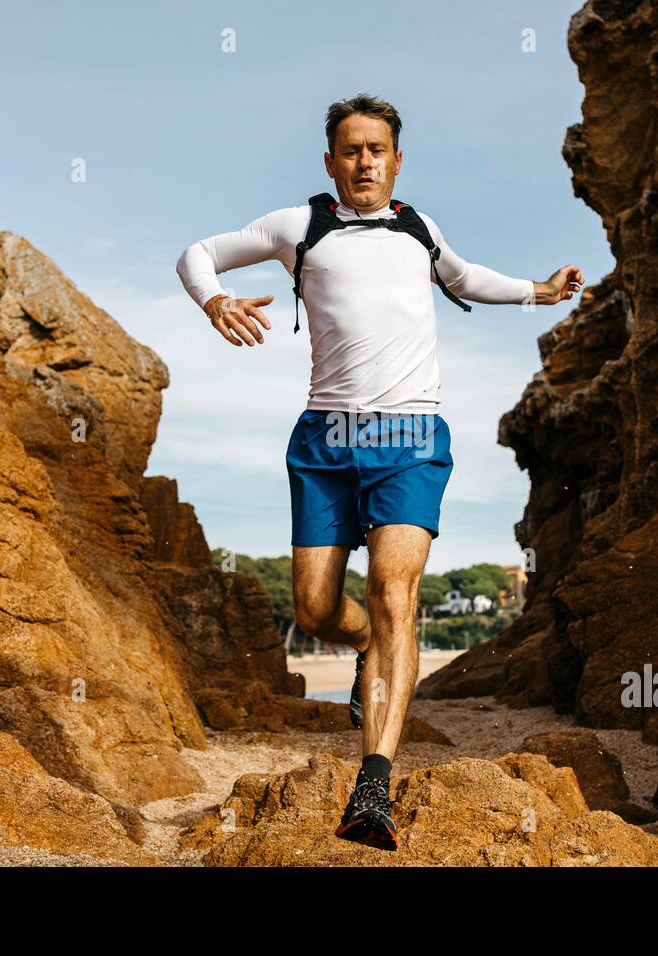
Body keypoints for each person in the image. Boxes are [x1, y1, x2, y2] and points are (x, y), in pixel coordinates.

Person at [176, 93, 583, 851]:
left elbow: (466, 278)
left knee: (394, 593)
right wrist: (215, 300)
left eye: (377, 150)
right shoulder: (299, 227)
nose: (365, 162)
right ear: (331, 161)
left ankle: (374, 785)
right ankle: (364, 644)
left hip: (411, 437)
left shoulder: (420, 228)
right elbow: (196, 253)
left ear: (397, 160)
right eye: (351, 150)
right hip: (324, 441)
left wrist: (539, 290)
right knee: (315, 610)